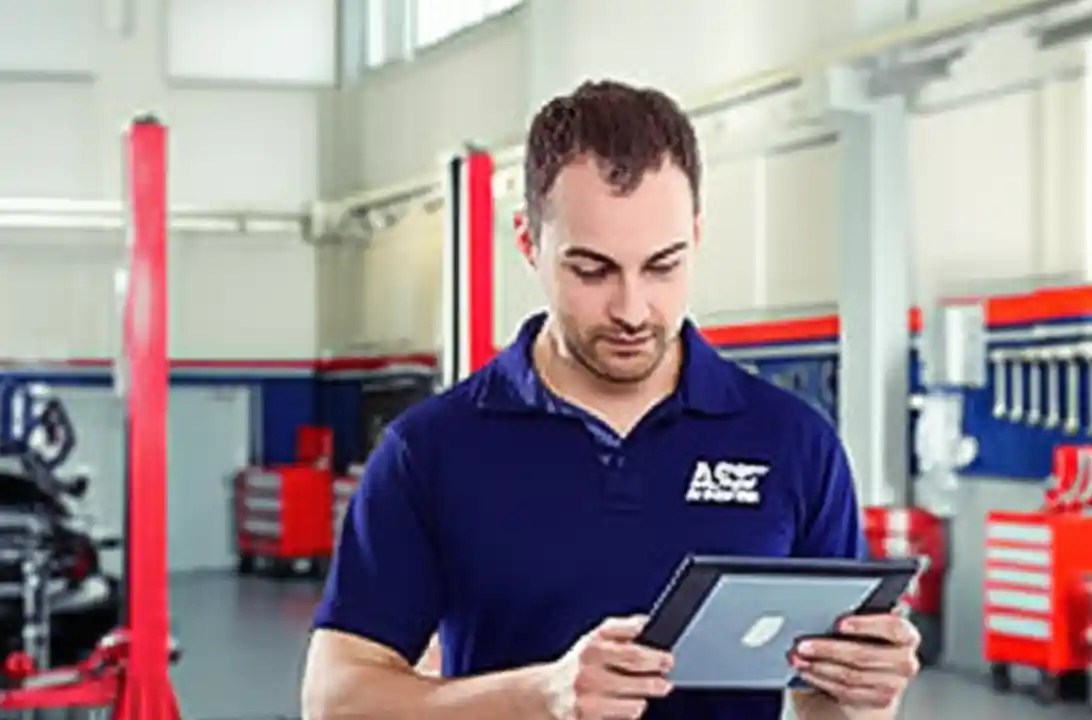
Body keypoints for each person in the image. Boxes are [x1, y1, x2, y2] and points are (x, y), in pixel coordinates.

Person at [301, 79, 920, 720]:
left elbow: (823, 706)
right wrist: (540, 698)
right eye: (592, 270)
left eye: (663, 266)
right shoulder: (430, 451)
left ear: (696, 236)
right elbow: (335, 702)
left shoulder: (792, 442)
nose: (632, 309)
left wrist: (864, 699)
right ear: (528, 242)